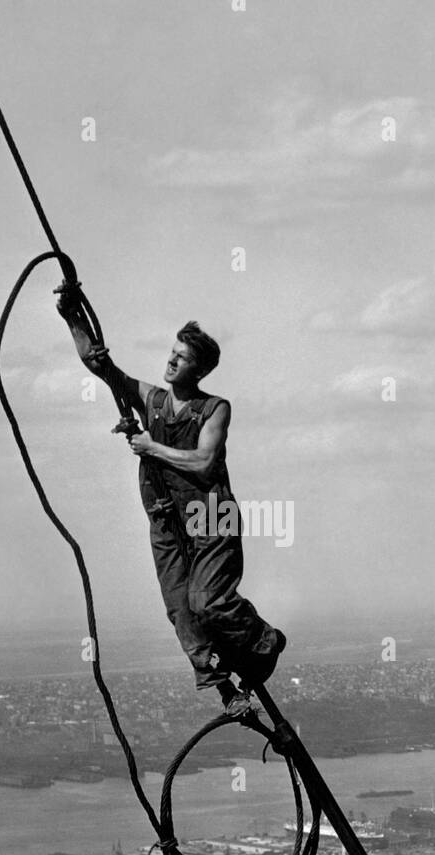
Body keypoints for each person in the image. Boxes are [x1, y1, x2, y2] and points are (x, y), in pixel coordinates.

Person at [57, 286, 285, 716]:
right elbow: (101, 366)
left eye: (182, 357)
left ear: (198, 370)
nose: (172, 359)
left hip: (210, 514)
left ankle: (263, 641)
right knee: (182, 610)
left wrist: (150, 447)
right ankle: (226, 692)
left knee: (209, 603)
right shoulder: (153, 400)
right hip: (166, 518)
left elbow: (203, 462)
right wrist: (71, 316)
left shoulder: (214, 408)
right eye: (172, 351)